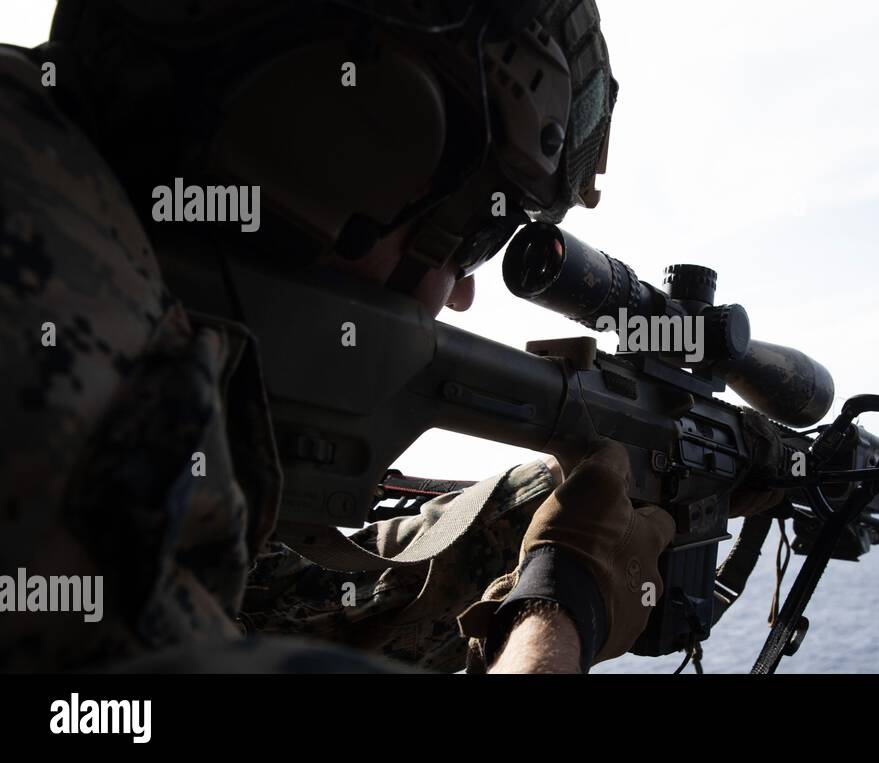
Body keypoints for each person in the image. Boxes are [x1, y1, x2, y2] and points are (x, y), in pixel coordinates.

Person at [0, 0, 675, 674]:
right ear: (361, 137)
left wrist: (543, 506)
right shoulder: (63, 299)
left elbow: (277, 597)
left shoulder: (73, 208)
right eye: (476, 238)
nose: (462, 290)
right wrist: (561, 610)